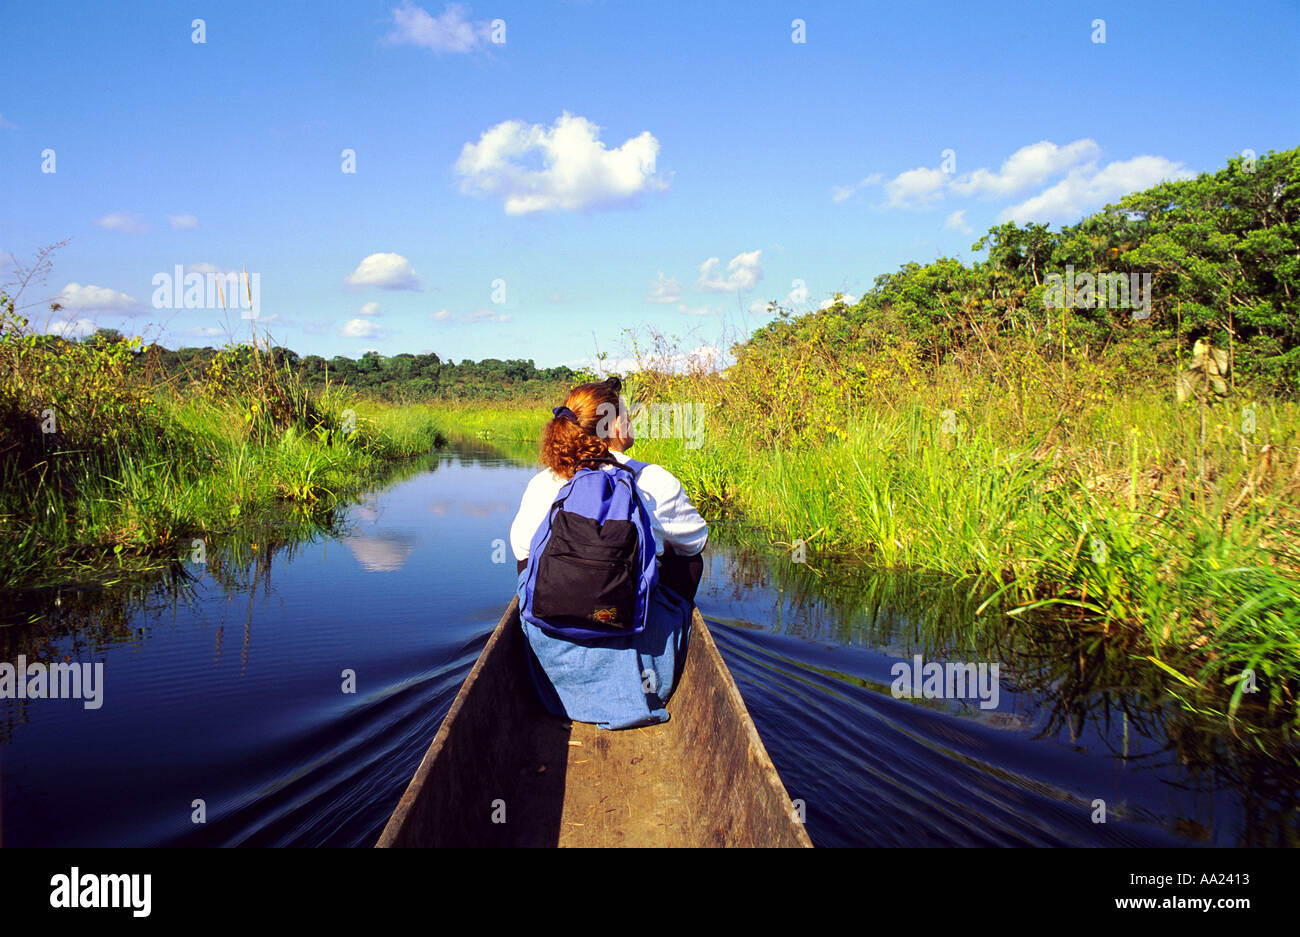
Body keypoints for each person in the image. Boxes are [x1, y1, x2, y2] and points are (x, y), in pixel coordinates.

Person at [509, 376, 708, 729]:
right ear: (614, 423)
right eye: (628, 414)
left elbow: (522, 557)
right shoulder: (654, 481)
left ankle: (554, 657)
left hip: (549, 678)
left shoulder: (543, 482)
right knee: (689, 560)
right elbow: (695, 543)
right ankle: (646, 655)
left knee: (529, 568)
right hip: (643, 672)